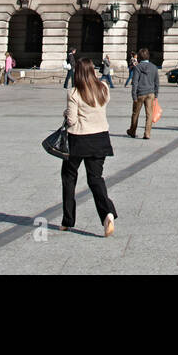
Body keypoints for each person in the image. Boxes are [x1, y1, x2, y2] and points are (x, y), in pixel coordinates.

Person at [60, 58, 117, 236]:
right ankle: (107, 213)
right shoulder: (104, 89)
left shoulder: (74, 93)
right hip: (100, 139)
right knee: (95, 179)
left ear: (77, 73)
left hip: (79, 140)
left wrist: (66, 113)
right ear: (93, 71)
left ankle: (68, 220)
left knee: (69, 178)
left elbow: (72, 120)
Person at [127, 47, 159, 140]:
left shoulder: (138, 67)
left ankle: (132, 131)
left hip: (140, 93)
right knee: (149, 114)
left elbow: (135, 82)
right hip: (150, 93)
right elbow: (157, 82)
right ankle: (147, 133)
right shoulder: (154, 67)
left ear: (140, 57)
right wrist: (156, 94)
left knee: (135, 113)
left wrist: (134, 95)